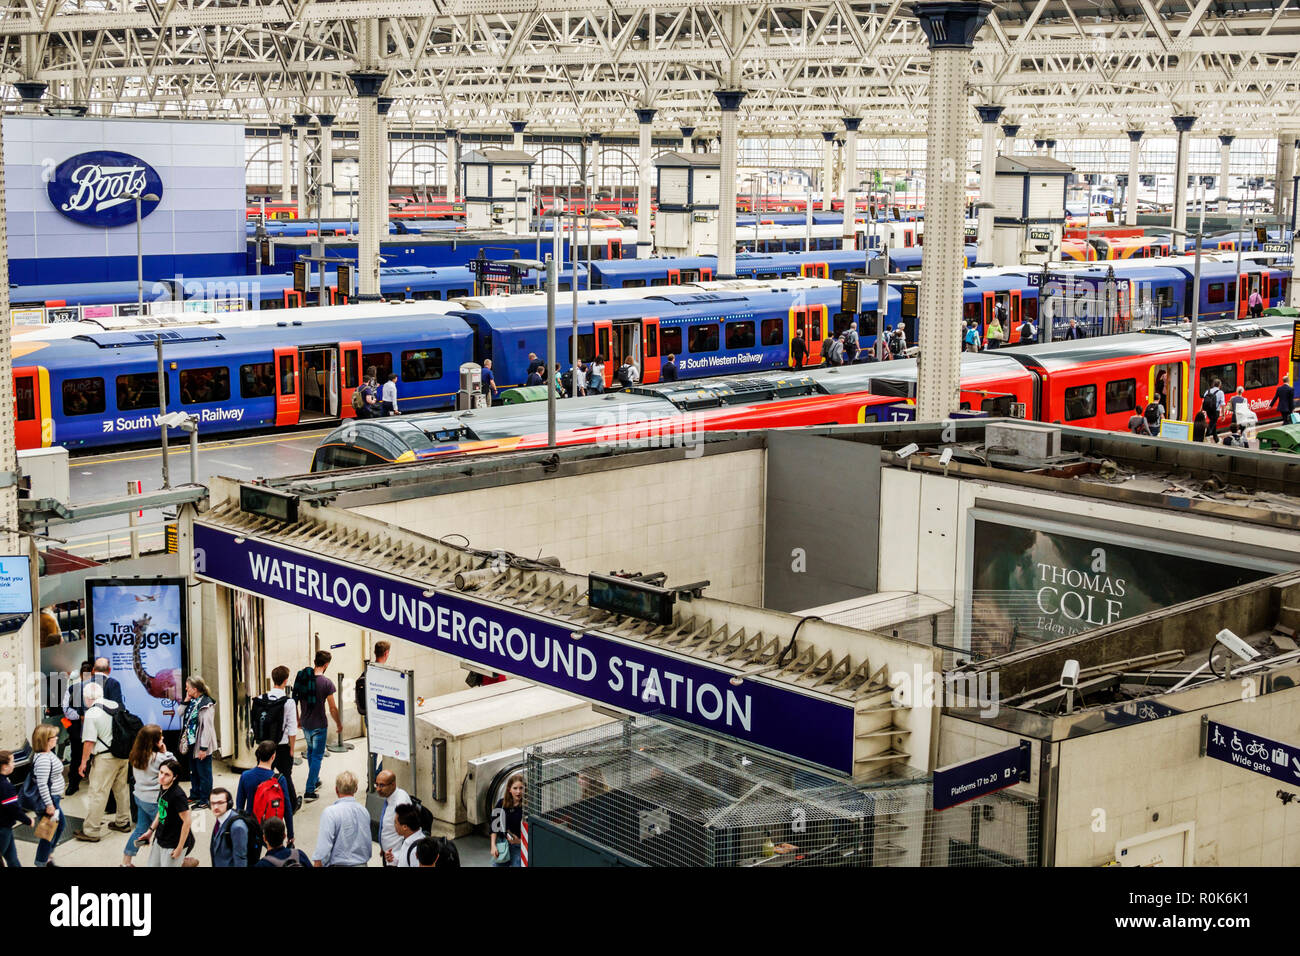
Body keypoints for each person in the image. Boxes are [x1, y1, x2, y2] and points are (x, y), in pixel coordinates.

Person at [74, 681, 131, 842]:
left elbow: (89, 742)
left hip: (105, 758)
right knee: (121, 789)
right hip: (122, 754)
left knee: (98, 793)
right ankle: (123, 822)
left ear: (87, 698)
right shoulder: (115, 705)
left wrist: (83, 762)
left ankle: (91, 830)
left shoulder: (92, 713)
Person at [122, 724, 171, 867]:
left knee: (140, 829)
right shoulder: (159, 758)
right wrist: (165, 751)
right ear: (154, 741)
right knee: (165, 832)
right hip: (156, 801)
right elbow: (174, 767)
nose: (163, 737)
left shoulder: (136, 755)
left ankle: (126, 861)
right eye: (160, 736)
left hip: (140, 797)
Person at [299, 650, 341, 803]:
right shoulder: (326, 683)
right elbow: (332, 708)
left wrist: (299, 718)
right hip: (319, 725)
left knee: (311, 752)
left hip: (305, 723)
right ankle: (310, 790)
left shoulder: (304, 679)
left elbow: (297, 700)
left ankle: (315, 779)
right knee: (317, 756)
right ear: (326, 664)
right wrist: (338, 723)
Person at [236, 740, 296, 845]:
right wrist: (290, 835)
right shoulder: (279, 779)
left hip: (252, 825)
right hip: (272, 827)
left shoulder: (245, 776)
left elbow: (239, 806)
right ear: (273, 757)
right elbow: (287, 808)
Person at [138, 759, 190, 868]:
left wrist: (180, 847)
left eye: (167, 774)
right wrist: (150, 831)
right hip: (160, 837)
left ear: (174, 777)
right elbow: (161, 811)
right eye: (161, 772)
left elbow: (187, 822)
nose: (162, 777)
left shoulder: (178, 796)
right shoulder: (163, 787)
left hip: (173, 842)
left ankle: (186, 861)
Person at [313, 771, 372, 867]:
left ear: (336, 790)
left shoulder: (330, 813)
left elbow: (323, 847)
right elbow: (367, 843)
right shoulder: (364, 811)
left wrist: (318, 862)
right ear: (356, 789)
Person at [178, 676, 216, 809]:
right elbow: (179, 713)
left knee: (204, 773)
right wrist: (185, 700)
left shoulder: (207, 704)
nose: (186, 689)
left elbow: (207, 728)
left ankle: (206, 799)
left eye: (188, 687)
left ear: (195, 689)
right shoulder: (192, 701)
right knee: (193, 771)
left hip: (201, 744)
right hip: (191, 743)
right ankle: (195, 795)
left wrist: (203, 748)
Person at [30, 724, 65, 866]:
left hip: (54, 798)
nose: (56, 738)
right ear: (45, 740)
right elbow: (42, 784)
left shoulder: (47, 753)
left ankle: (47, 857)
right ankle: (42, 862)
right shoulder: (44, 759)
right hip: (50, 800)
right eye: (54, 737)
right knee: (48, 834)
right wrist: (49, 804)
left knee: (60, 826)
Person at [262, 666, 299, 798]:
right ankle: (292, 803)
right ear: (285, 681)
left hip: (265, 744)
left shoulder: (262, 698)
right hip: (282, 744)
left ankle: (265, 798)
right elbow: (292, 728)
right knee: (286, 775)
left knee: (265, 773)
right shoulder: (289, 702)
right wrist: (292, 748)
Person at [61, 660, 93, 796]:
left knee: (86, 757)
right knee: (76, 757)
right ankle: (74, 783)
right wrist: (80, 716)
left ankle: (82, 783)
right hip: (78, 730)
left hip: (90, 729)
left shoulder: (97, 689)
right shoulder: (73, 689)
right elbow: (66, 709)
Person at [375, 770, 411, 866]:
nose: (378, 789)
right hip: (388, 854)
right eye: (376, 785)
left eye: (382, 785)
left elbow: (407, 833)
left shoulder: (400, 802)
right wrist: (383, 847)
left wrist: (398, 858)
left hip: (396, 858)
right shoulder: (389, 797)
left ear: (393, 785)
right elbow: (387, 827)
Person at [0, 749, 28, 867]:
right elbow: (13, 809)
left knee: (12, 857)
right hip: (2, 827)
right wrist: (27, 820)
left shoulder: (4, 781)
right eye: (12, 762)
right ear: (4, 766)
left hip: (6, 826)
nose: (14, 764)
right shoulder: (5, 786)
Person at [490, 772, 525, 867]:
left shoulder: (527, 808)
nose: (518, 792)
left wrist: (519, 841)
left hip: (518, 847)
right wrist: (493, 846)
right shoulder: (501, 804)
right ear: (509, 789)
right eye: (515, 788)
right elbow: (494, 826)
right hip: (502, 844)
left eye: (521, 788)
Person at [209, 787, 250, 868]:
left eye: (220, 803)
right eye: (212, 803)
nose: (215, 807)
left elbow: (240, 859)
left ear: (229, 803)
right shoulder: (221, 817)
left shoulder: (237, 827)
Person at [393, 803, 427, 868]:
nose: (394, 825)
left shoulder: (417, 849)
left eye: (395, 823)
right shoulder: (408, 840)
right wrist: (394, 859)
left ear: (405, 827)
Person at [1202, 377, 1226, 443]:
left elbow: (1204, 401)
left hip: (1208, 411)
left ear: (1213, 384)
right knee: (1212, 424)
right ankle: (1205, 437)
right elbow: (1222, 404)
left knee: (1213, 424)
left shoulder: (1208, 391)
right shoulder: (1220, 392)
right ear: (1219, 385)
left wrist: (1201, 410)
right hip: (1216, 411)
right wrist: (1223, 415)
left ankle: (1216, 439)